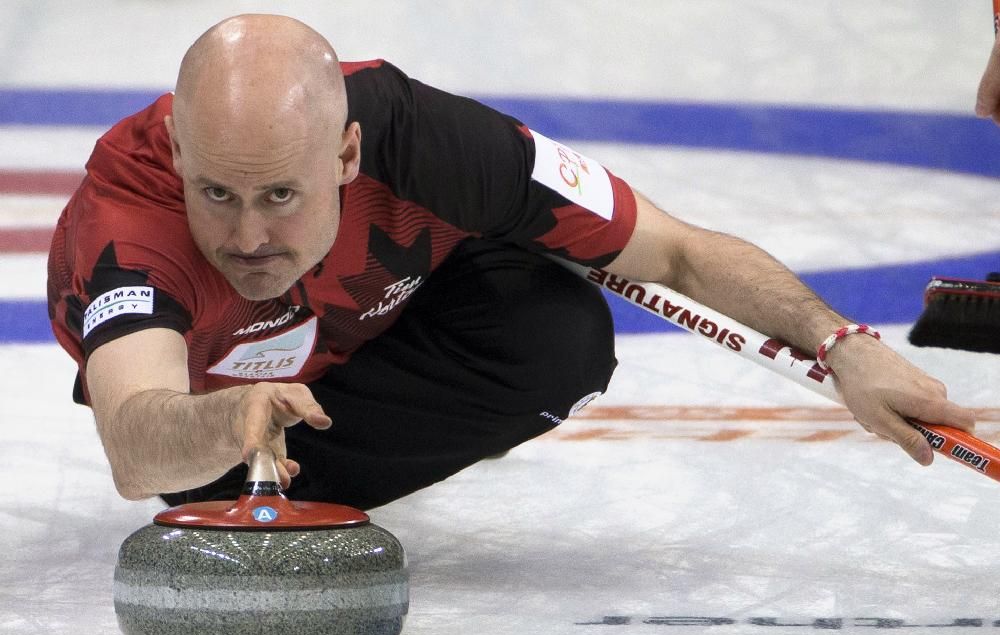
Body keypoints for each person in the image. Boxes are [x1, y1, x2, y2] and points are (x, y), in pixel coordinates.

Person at [48, 14, 976, 510]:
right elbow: (135, 446)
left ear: (345, 156)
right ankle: (267, 467)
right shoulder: (131, 226)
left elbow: (683, 253)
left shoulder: (442, 146)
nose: (247, 234)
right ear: (178, 159)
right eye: (218, 194)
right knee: (195, 475)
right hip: (229, 399)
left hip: (380, 312)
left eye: (280, 196)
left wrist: (843, 344)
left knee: (555, 334)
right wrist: (228, 417)